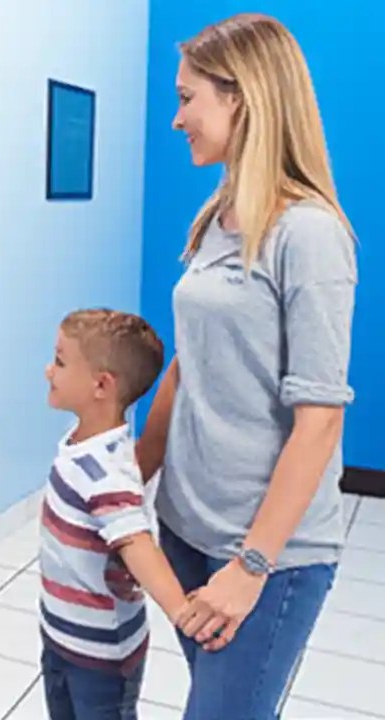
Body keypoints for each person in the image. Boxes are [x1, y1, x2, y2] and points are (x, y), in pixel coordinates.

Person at [135, 13, 357, 719]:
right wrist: (131, 476)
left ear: (242, 97)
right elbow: (187, 363)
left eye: (187, 98)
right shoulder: (218, 216)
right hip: (186, 528)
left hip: (267, 556)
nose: (177, 120)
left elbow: (319, 422)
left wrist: (251, 567)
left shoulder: (311, 236)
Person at [39, 309, 190, 720]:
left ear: (101, 385)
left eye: (61, 361)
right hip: (62, 636)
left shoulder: (107, 472)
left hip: (100, 656)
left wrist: (180, 610)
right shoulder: (81, 443)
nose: (48, 370)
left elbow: (135, 542)